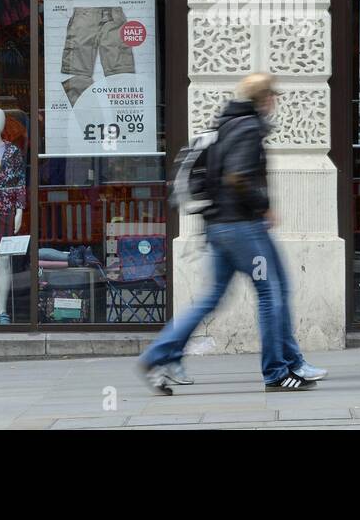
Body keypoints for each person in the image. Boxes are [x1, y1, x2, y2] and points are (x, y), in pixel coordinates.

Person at [138, 73, 326, 393]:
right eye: (272, 96)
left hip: (219, 226)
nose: (275, 101)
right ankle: (277, 372)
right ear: (263, 98)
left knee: (214, 297)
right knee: (271, 291)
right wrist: (263, 204)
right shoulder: (248, 128)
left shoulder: (227, 123)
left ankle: (160, 355)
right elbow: (237, 177)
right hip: (241, 226)